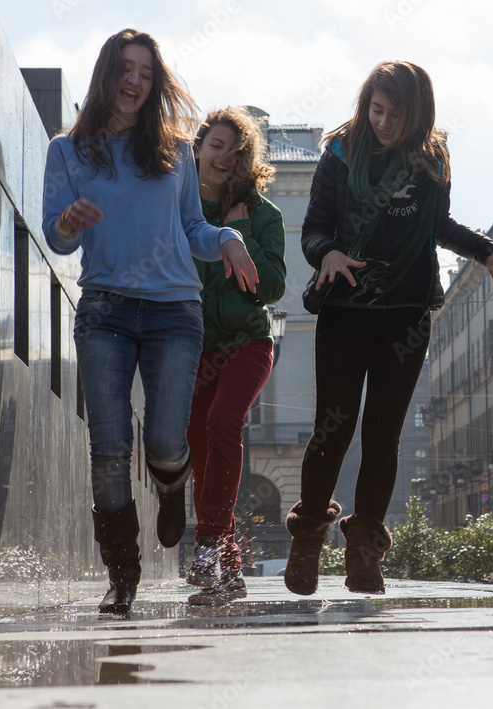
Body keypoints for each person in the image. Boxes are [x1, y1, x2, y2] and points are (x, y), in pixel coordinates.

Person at [42, 29, 258, 615]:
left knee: (165, 441)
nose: (134, 79)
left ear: (154, 81)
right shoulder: (68, 150)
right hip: (105, 309)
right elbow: (56, 239)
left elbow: (193, 230)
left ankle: (170, 484)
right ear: (107, 76)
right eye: (125, 68)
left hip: (173, 312)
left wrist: (229, 238)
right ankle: (122, 576)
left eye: (145, 70)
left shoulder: (175, 151)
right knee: (109, 447)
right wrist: (68, 221)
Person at [284, 60, 493, 596]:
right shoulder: (340, 153)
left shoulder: (432, 160)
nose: (383, 123)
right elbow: (315, 226)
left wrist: (488, 254)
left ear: (417, 115)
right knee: (332, 428)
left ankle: (364, 553)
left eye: (395, 114)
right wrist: (329, 252)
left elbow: (440, 227)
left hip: (406, 314)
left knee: (384, 434)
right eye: (376, 109)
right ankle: (308, 540)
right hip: (346, 309)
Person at [184, 107, 286, 605]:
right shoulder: (179, 206)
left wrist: (242, 235)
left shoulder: (264, 214)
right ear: (199, 147)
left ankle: (206, 548)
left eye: (237, 151)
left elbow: (272, 286)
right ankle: (229, 572)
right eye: (217, 145)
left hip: (249, 343)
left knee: (224, 421)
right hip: (194, 348)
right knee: (200, 453)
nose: (225, 158)